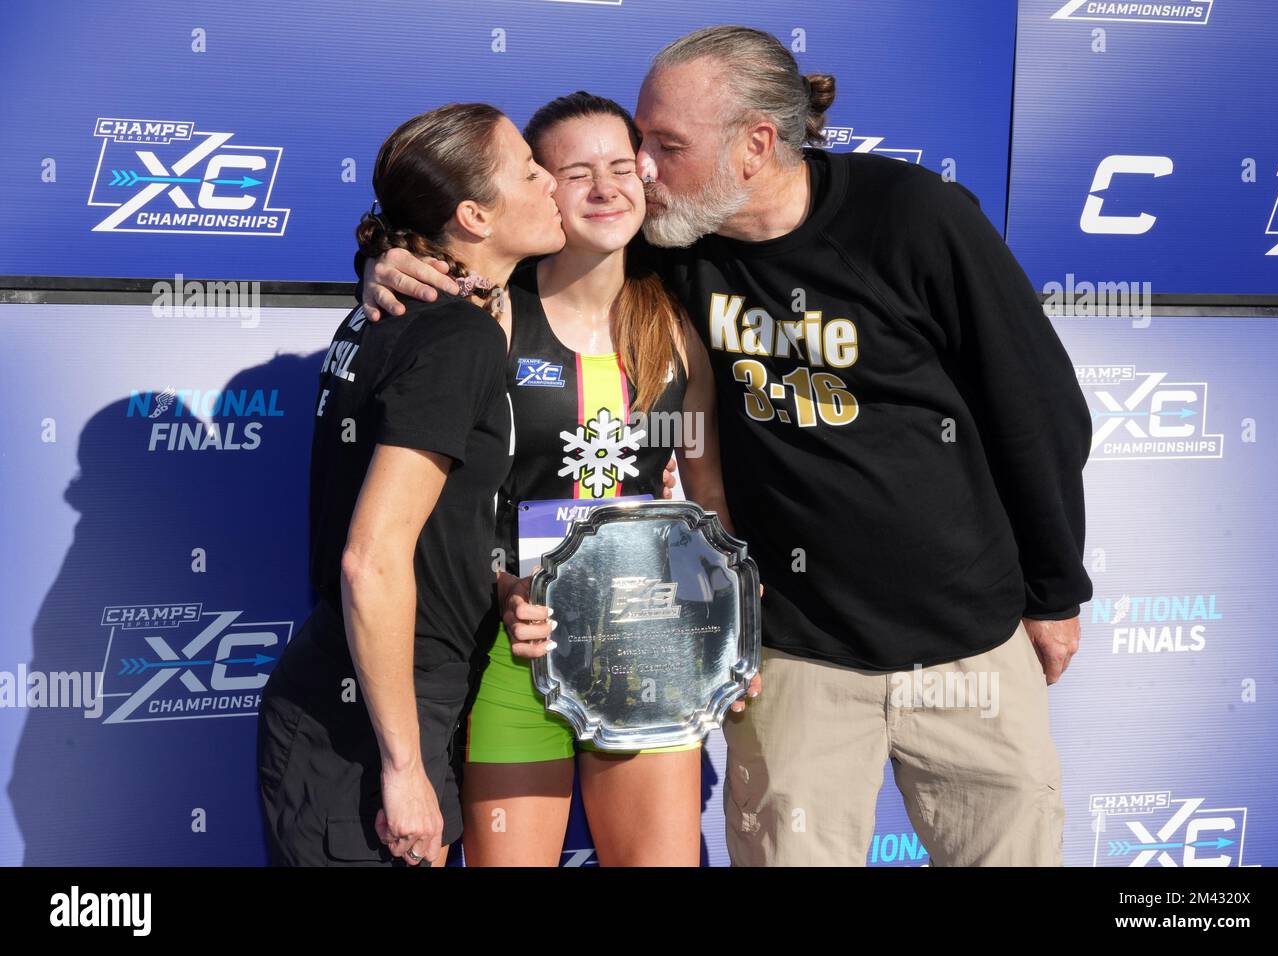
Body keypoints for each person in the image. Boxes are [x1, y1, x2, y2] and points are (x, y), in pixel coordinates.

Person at [358, 26, 1092, 867]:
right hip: (799, 656)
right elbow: (486, 242)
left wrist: (1055, 590)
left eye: (664, 148)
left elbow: (1037, 410)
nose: (641, 173)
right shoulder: (672, 249)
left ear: (755, 146)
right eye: (640, 147)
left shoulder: (916, 218)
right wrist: (393, 261)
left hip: (968, 642)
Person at [256, 102, 564, 866]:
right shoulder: (453, 334)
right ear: (472, 216)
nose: (551, 181)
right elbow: (373, 558)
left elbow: (429, 529)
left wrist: (492, 585)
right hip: (371, 726)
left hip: (371, 697)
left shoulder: (396, 310)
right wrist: (404, 767)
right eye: (529, 170)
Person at [460, 91, 747, 866]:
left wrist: (733, 633)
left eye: (622, 167)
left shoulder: (676, 331)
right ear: (537, 187)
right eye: (576, 171)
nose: (605, 188)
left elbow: (708, 502)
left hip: (647, 657)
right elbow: (451, 507)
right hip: (518, 654)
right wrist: (501, 586)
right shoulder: (492, 318)